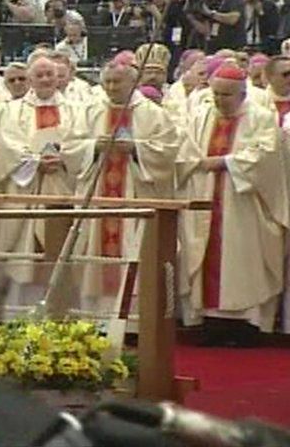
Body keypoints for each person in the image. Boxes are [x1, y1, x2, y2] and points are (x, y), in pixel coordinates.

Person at [176, 65, 288, 345]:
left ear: (242, 94)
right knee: (204, 255)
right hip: (204, 195)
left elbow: (267, 154)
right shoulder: (201, 115)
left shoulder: (261, 117)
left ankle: (245, 326)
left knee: (242, 259)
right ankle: (207, 322)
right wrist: (199, 163)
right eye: (215, 93)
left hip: (243, 203)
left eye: (226, 95)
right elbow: (185, 150)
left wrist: (226, 162)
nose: (219, 100)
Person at [61, 58, 179, 311]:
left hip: (134, 197)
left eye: (117, 82)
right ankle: (94, 316)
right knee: (93, 257)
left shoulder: (152, 113)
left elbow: (168, 152)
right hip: (97, 199)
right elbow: (69, 147)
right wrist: (94, 146)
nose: (111, 88)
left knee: (133, 255)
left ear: (133, 82)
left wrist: (136, 149)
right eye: (107, 82)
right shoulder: (90, 111)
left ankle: (133, 321)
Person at [0, 56, 80, 305]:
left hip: (61, 185)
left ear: (59, 77)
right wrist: (36, 161)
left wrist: (63, 158)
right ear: (30, 79)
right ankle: (18, 313)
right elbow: (8, 144)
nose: (45, 80)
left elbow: (79, 140)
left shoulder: (74, 109)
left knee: (59, 249)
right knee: (24, 254)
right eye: (39, 75)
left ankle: (59, 309)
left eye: (49, 74)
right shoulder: (12, 110)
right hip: (26, 190)